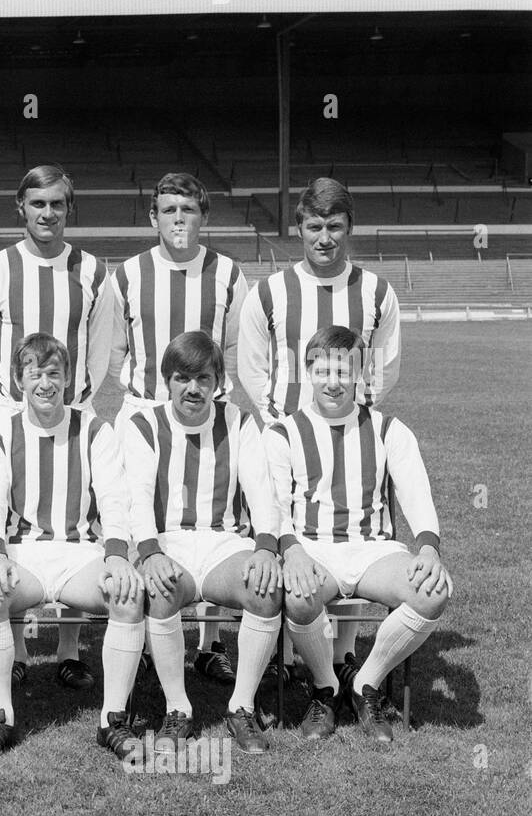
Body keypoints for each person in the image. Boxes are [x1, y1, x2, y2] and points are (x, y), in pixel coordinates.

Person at [238, 177, 403, 685]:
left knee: (354, 530)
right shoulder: (270, 291)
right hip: (285, 437)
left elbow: (385, 365)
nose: (324, 237)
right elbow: (252, 366)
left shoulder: (376, 291)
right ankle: (287, 659)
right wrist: (280, 425)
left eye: (334, 226)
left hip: (351, 435)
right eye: (314, 226)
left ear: (349, 227)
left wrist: (352, 418)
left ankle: (341, 655)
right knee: (289, 538)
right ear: (299, 228)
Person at [0, 163, 114, 691]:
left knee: (72, 518)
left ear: (68, 209)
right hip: (9, 414)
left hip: (72, 414)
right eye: (37, 203)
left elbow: (101, 350)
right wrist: (8, 408)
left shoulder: (94, 271)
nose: (47, 212)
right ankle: (19, 644)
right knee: (6, 523)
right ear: (20, 208)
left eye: (56, 203)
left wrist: (75, 404)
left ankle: (71, 649)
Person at [265, 325, 449, 744]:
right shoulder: (282, 432)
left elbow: (417, 495)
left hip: (374, 550)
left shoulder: (389, 429)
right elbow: (272, 506)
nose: (333, 382)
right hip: (312, 548)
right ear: (308, 371)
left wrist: (429, 549)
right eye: (324, 370)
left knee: (433, 592)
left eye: (344, 372)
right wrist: (291, 551)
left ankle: (365, 684)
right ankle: (326, 687)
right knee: (297, 594)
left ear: (360, 375)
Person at [0, 333, 145, 762]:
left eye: (54, 374)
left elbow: (113, 498)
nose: (45, 384)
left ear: (68, 379)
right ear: (19, 380)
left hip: (79, 555)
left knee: (128, 595)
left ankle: (113, 720)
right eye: (35, 374)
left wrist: (117, 556)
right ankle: (1, 717)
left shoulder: (95, 430)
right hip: (22, 554)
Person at [109, 171, 250, 683]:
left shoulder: (230, 275)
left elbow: (233, 350)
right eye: (169, 210)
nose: (178, 219)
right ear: (153, 217)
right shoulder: (126, 274)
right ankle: (149, 631)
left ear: (203, 216)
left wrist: (207, 392)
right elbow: (113, 350)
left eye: (188, 210)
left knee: (212, 520)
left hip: (205, 413)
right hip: (145, 411)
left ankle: (210, 643)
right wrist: (147, 395)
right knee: (139, 519)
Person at [120, 331, 284, 756]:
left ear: (217, 382)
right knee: (159, 589)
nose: (193, 388)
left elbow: (262, 491)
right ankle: (178, 708)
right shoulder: (143, 424)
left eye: (204, 379)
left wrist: (266, 547)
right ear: (167, 381)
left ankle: (242, 706)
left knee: (265, 587)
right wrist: (150, 552)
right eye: (182, 378)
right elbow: (136, 498)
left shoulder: (240, 421)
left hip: (223, 541)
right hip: (168, 541)